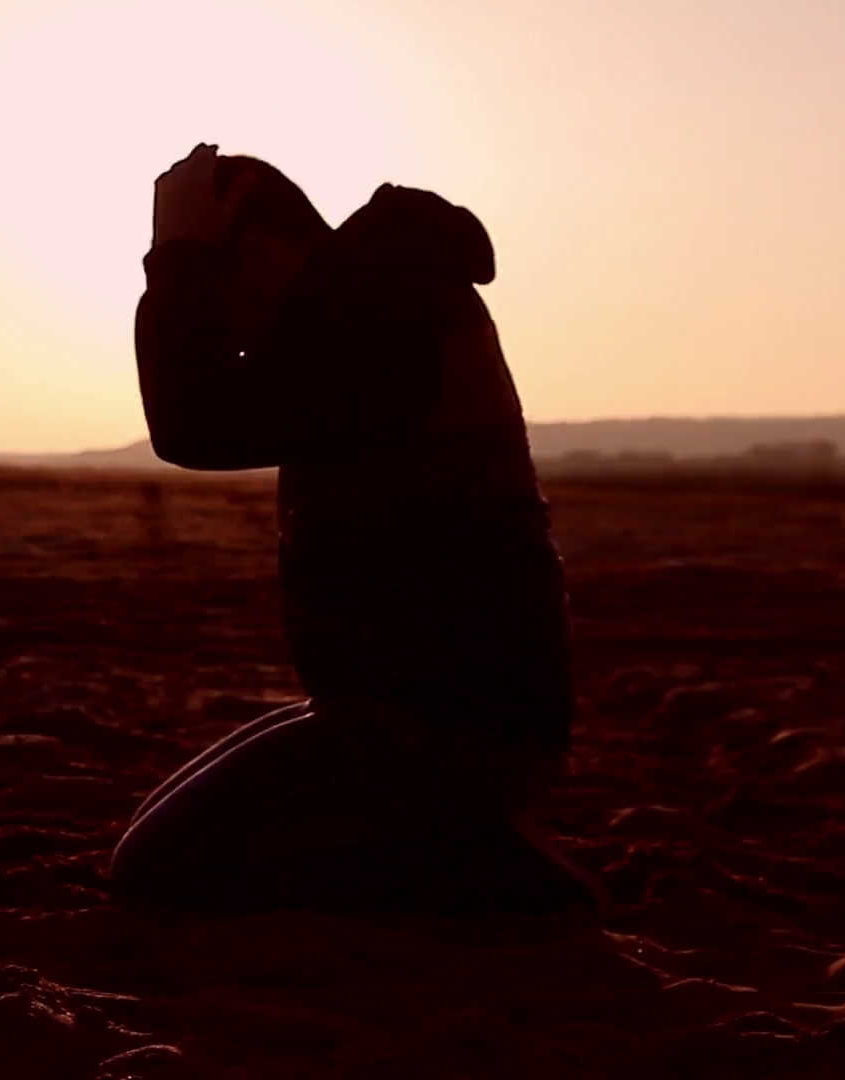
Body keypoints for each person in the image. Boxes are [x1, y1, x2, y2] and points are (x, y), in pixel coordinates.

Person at [108, 144, 598, 915]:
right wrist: (183, 256)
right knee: (161, 836)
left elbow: (195, 426)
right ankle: (459, 848)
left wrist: (175, 260)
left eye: (219, 291)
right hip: (413, 713)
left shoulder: (383, 308)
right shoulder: (365, 304)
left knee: (158, 870)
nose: (228, 331)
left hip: (448, 732)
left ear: (261, 253)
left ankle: (495, 881)